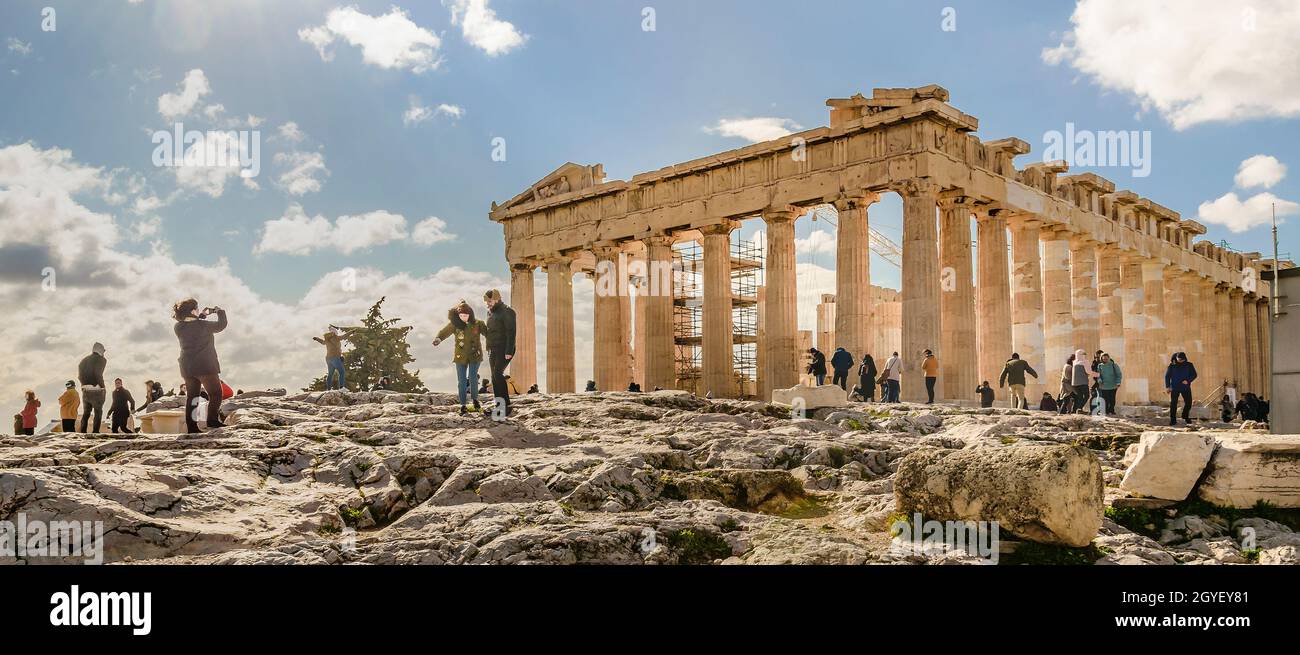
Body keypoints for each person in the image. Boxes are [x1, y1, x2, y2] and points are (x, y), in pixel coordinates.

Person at [173, 298, 228, 433]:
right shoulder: (204, 325)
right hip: (205, 365)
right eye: (197, 308)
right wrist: (218, 311)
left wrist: (201, 316)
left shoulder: (178, 327)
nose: (198, 310)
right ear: (193, 310)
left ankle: (192, 427)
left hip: (187, 367)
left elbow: (193, 324)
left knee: (193, 398)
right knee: (215, 394)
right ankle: (212, 420)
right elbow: (221, 325)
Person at [432, 300, 486, 415]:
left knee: (472, 377)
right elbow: (444, 331)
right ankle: (463, 405)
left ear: (470, 314)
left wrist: (495, 342)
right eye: (461, 315)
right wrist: (438, 339)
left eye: (465, 316)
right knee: (461, 381)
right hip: (460, 356)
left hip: (475, 355)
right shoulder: (455, 324)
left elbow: (488, 334)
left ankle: (475, 400)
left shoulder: (478, 323)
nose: (463, 318)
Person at [479, 289, 516, 418]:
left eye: (489, 301)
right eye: (486, 301)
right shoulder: (490, 313)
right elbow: (490, 332)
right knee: (494, 378)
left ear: (497, 299)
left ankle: (506, 406)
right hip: (493, 348)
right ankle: (499, 407)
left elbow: (511, 332)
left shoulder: (508, 311)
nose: (487, 303)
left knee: (497, 375)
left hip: (504, 348)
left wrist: (509, 351)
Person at [77, 342, 108, 433]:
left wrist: (84, 385)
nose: (104, 353)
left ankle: (83, 432)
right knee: (98, 412)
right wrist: (103, 387)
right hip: (96, 390)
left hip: (85, 390)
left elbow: (79, 376)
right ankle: (95, 432)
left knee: (86, 413)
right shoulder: (102, 359)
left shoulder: (83, 360)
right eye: (103, 350)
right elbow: (98, 374)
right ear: (100, 350)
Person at [1164, 351, 1198, 426]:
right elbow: (1167, 376)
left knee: (1189, 402)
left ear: (1184, 359)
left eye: (1180, 359)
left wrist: (1188, 380)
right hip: (1175, 387)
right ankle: (1173, 420)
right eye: (1178, 359)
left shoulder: (1189, 365)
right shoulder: (1172, 365)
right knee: (1173, 404)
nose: (1179, 361)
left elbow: (1194, 374)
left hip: (1185, 387)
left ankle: (1185, 416)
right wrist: (1167, 386)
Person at [313, 326, 350, 391]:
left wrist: (316, 338)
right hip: (335, 357)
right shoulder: (336, 337)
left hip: (328, 358)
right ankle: (341, 388)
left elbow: (322, 342)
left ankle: (329, 389)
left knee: (330, 374)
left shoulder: (327, 339)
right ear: (335, 333)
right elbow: (344, 336)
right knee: (342, 372)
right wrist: (352, 331)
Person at [1068, 349, 1091, 414]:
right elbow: (1088, 371)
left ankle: (1078, 410)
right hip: (1083, 382)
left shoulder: (1074, 362)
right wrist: (1097, 374)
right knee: (1086, 396)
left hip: (1075, 383)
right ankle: (1079, 408)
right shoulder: (1085, 361)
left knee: (1080, 397)